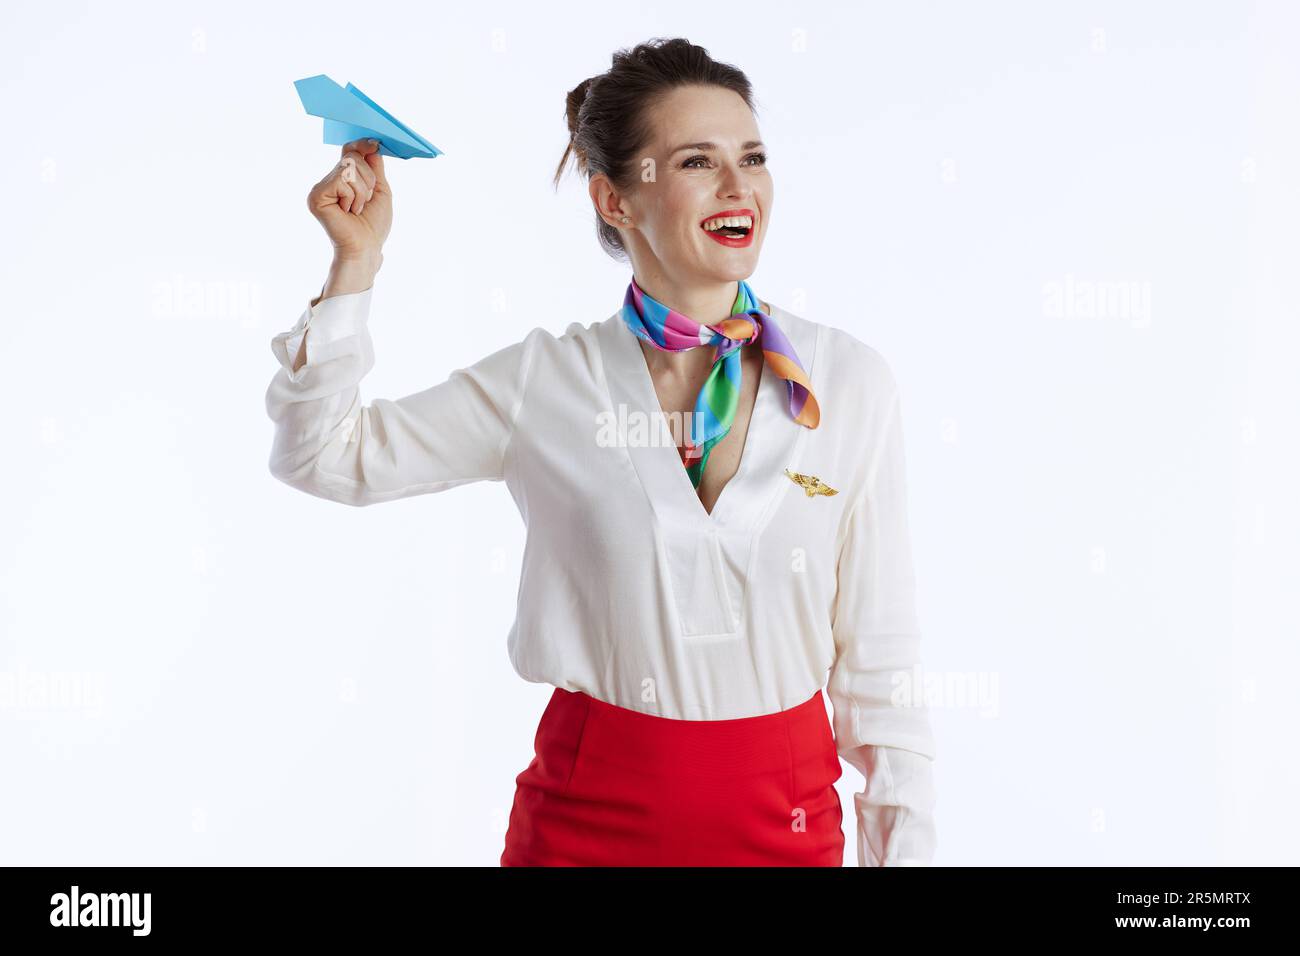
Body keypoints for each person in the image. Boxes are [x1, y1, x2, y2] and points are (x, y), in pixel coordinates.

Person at [265, 37, 937, 866]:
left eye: (753, 157)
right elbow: (324, 455)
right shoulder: (545, 382)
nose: (740, 188)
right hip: (584, 830)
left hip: (787, 835)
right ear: (615, 200)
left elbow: (882, 670)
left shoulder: (851, 384)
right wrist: (354, 264)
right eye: (698, 161)